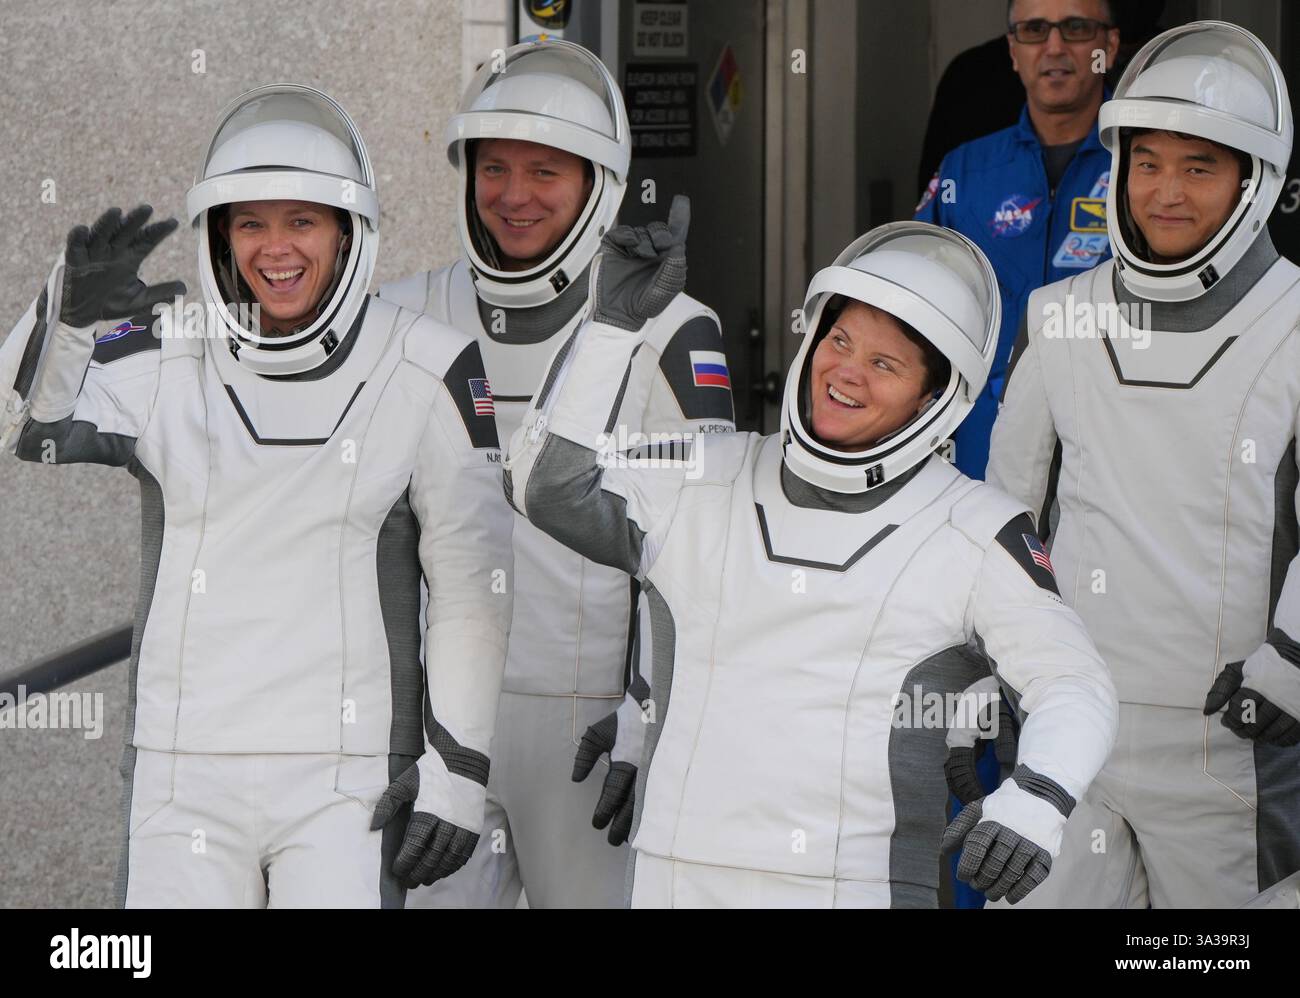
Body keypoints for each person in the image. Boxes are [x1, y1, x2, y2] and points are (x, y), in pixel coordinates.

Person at [503, 200, 1118, 907]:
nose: (847, 372)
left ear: (933, 398)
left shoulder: (976, 527)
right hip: (676, 879)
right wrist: (610, 328)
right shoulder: (703, 473)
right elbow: (547, 489)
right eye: (840, 341)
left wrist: (1040, 798)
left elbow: (1074, 684)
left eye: (885, 362)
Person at [0, 85, 513, 907]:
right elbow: (27, 430)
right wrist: (64, 316)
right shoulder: (167, 347)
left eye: (302, 220)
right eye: (251, 223)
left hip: (348, 781)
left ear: (348, 231)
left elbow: (472, 587)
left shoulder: (432, 365)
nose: (276, 248)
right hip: (182, 767)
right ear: (218, 235)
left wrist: (457, 770)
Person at [379, 40, 735, 908]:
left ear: (598, 185)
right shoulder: (399, 315)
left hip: (590, 732)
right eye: (493, 167)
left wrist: (652, 714)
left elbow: (694, 549)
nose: (512, 195)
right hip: (440, 730)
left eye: (545, 170)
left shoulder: (674, 329)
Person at [987, 21, 1300, 907]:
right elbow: (1003, 517)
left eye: (1198, 166)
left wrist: (1292, 664)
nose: (1165, 191)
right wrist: (984, 671)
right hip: (1069, 729)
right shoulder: (1058, 316)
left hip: (1232, 738)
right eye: (1146, 162)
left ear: (1254, 180)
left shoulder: (1294, 321)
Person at [916, 0, 1119, 479]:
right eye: (1033, 30)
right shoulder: (964, 170)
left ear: (1108, 46)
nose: (1053, 47)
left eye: (1075, 28)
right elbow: (917, 307)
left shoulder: (1147, 167)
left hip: (1111, 443)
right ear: (1012, 50)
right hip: (981, 444)